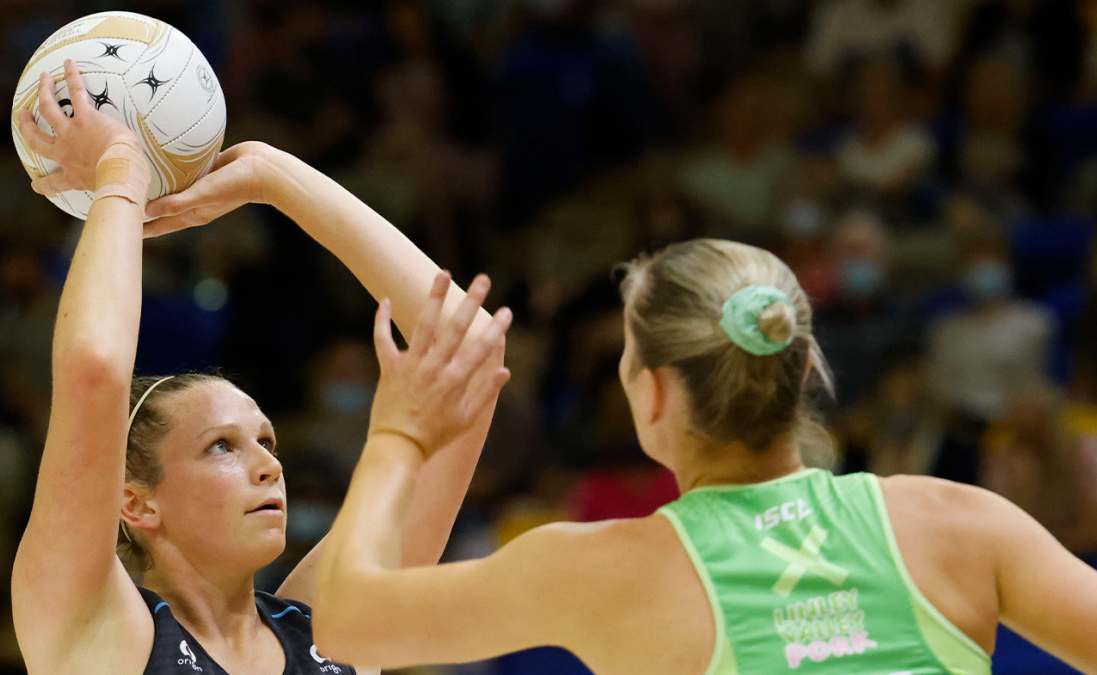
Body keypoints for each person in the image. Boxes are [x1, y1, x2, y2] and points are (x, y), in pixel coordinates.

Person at [306, 236, 1097, 672]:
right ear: (801, 370)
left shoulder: (602, 568)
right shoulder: (958, 520)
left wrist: (399, 433)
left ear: (652, 394)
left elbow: (338, 625)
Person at [10, 60, 510, 675]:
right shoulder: (91, 630)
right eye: (221, 446)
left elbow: (471, 355)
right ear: (135, 502)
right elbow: (94, 372)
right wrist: (120, 174)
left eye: (267, 440)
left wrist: (274, 177)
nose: (269, 464)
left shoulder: (337, 627)